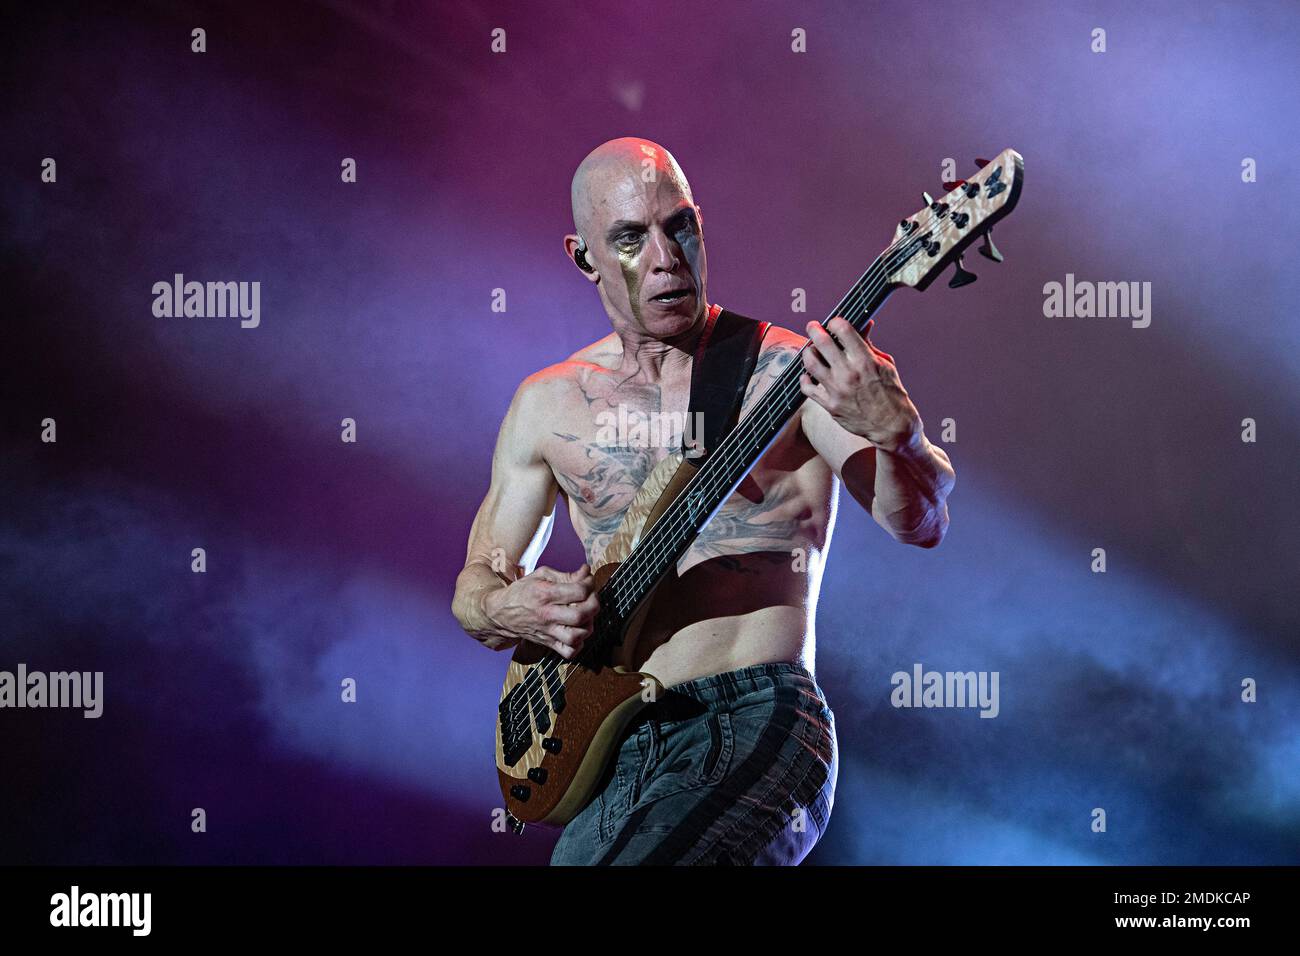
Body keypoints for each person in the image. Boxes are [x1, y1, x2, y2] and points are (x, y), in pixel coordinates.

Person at [452, 137, 955, 865]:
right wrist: (506, 607)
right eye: (630, 238)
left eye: (678, 225)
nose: (665, 256)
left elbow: (922, 522)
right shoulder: (546, 403)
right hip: (609, 752)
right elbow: (476, 583)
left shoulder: (786, 371)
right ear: (583, 255)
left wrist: (899, 435)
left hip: (752, 715)